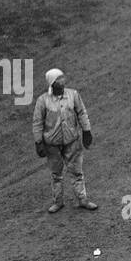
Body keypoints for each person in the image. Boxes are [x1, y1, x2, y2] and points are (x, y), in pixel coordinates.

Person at [32, 69, 97, 214]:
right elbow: (37, 122)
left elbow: (81, 112)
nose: (63, 81)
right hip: (52, 144)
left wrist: (86, 130)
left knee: (77, 172)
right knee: (56, 174)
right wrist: (38, 142)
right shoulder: (43, 101)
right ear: (52, 83)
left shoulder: (73, 95)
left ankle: (83, 200)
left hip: (72, 140)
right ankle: (58, 202)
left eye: (62, 78)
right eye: (59, 79)